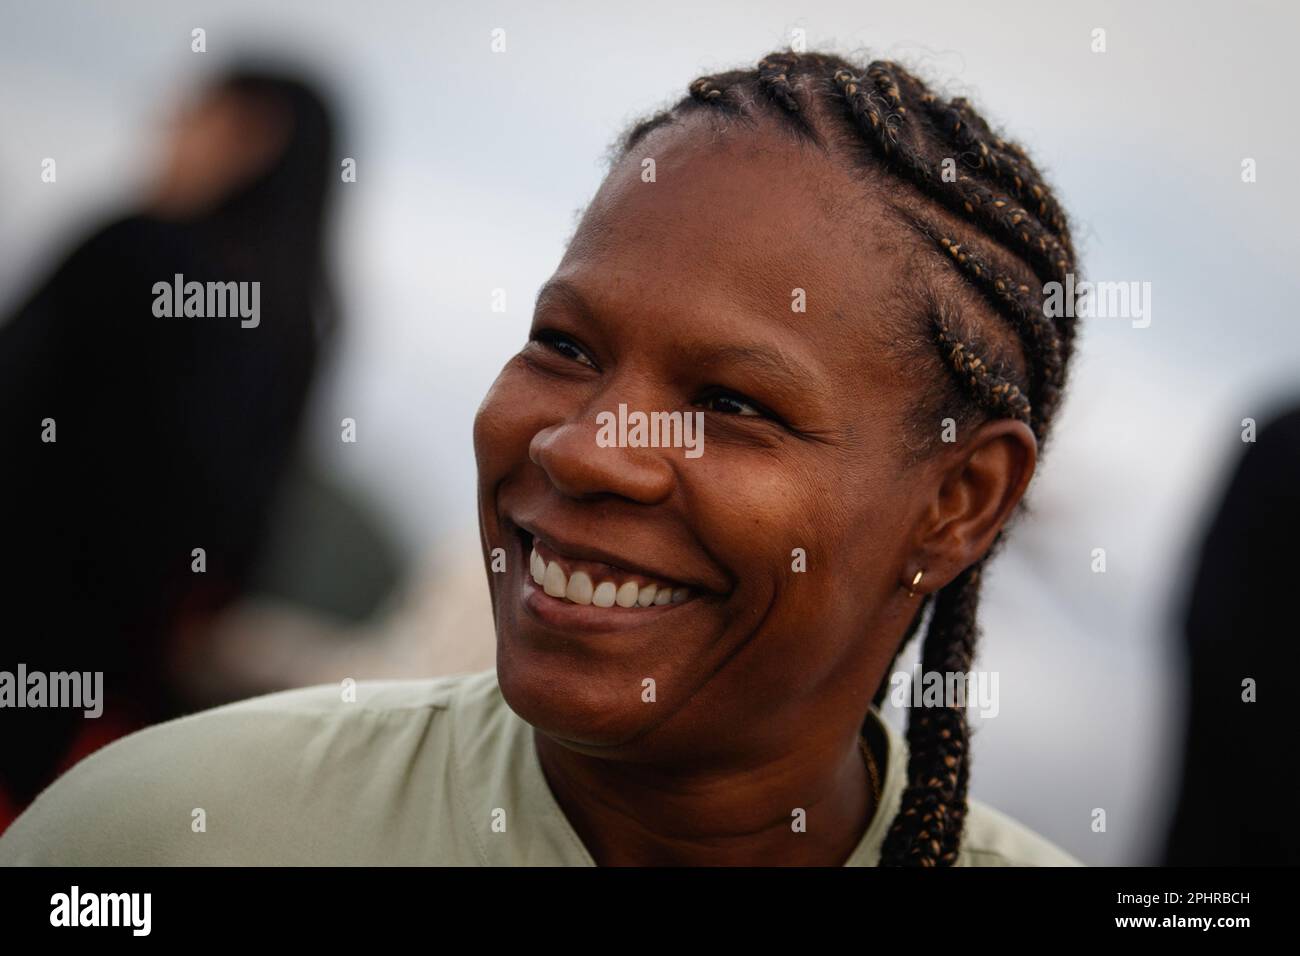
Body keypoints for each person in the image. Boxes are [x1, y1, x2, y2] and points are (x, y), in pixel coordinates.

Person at [0, 50, 1082, 865]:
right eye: (564, 345)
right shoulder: (157, 834)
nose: (582, 450)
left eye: (732, 401)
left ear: (958, 499)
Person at [0, 68, 337, 828]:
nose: (162, 131)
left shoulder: (137, 250)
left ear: (250, 137)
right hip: (123, 699)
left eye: (189, 115)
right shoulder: (297, 323)